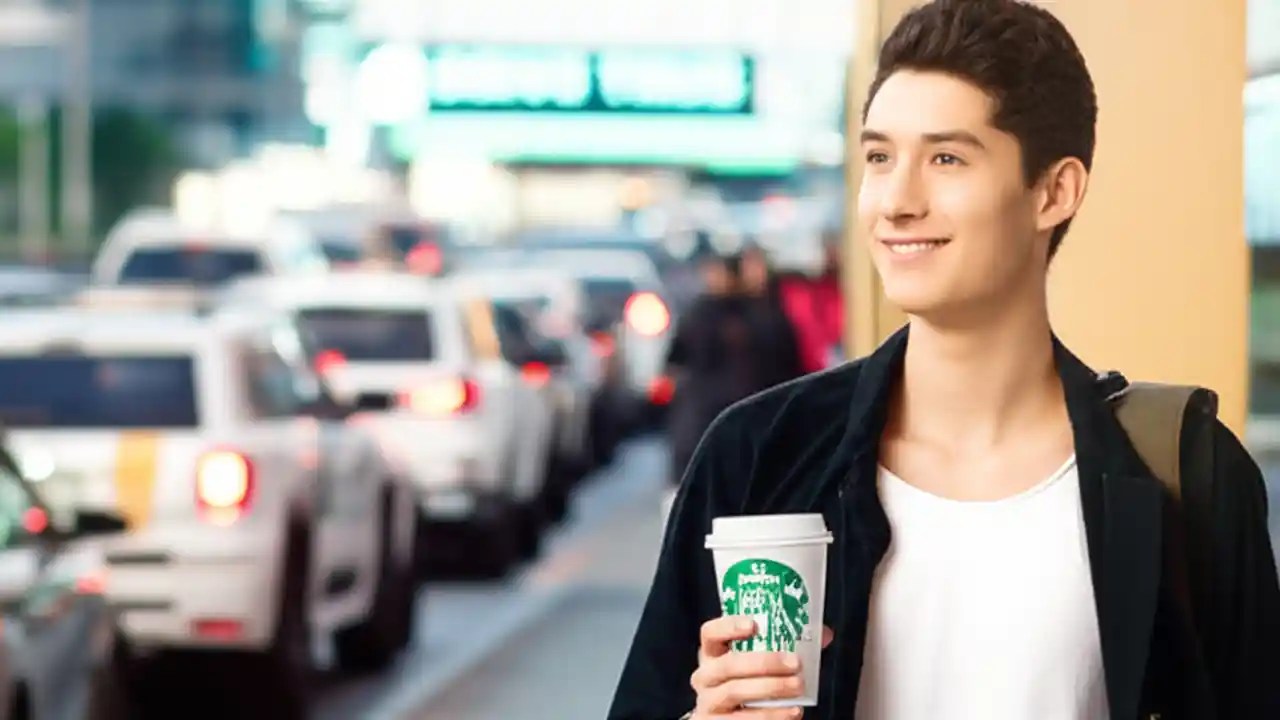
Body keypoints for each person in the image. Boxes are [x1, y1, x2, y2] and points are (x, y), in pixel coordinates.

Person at [610, 2, 1280, 719]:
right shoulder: (759, 457)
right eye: (879, 158)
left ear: (1054, 192)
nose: (896, 202)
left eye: (946, 159)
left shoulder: (1184, 473)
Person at [664, 254, 756, 487]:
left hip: (737, 403)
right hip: (702, 406)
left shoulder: (749, 312)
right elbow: (676, 357)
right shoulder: (698, 314)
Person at [740, 244, 806, 391]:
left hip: (785, 378)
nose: (755, 273)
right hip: (753, 385)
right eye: (750, 268)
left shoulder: (783, 299)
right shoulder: (738, 307)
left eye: (759, 266)